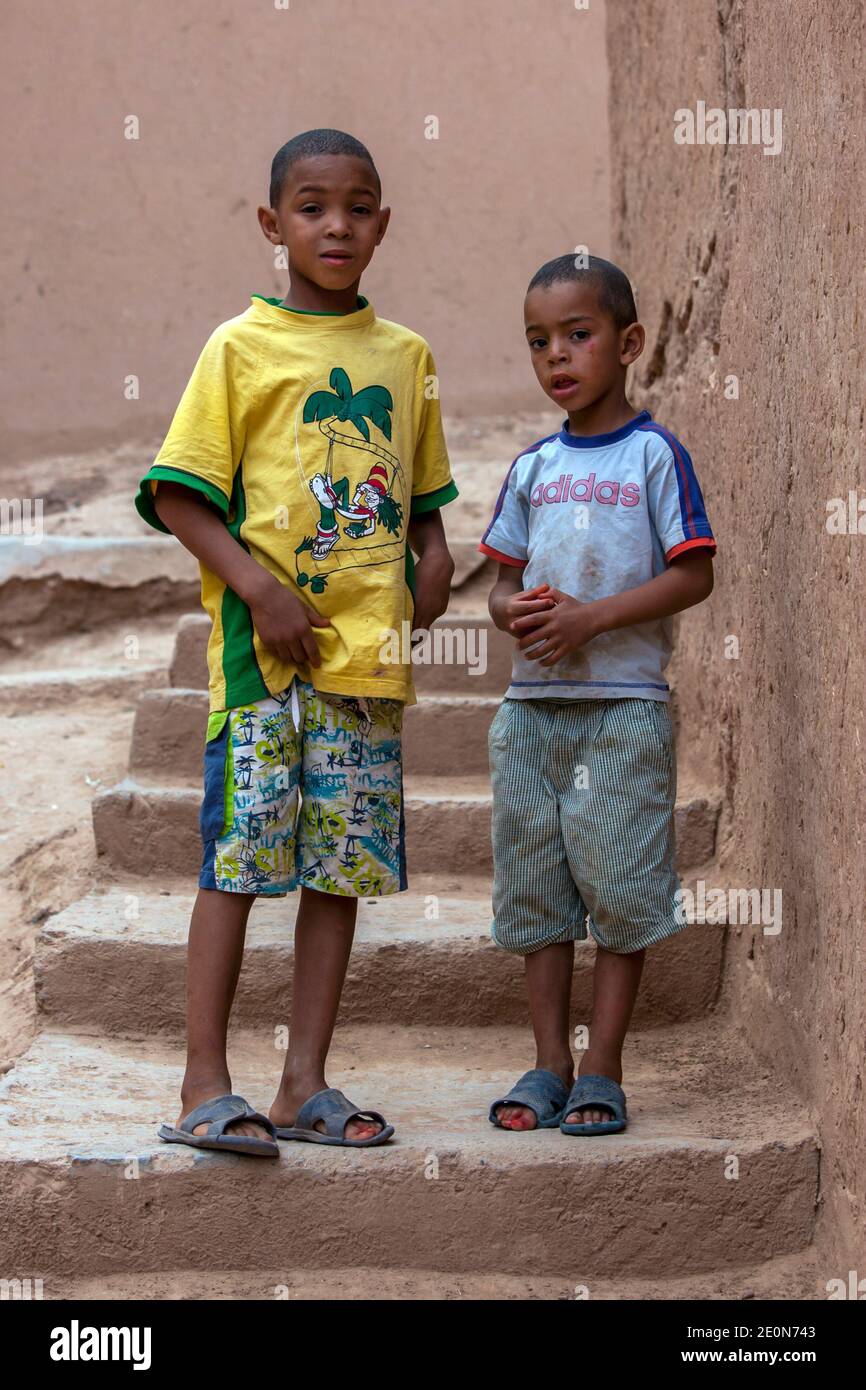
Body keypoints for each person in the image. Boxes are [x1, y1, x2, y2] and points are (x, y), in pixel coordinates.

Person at [134, 129, 457, 1154]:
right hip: (265, 664)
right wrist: (259, 591)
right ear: (273, 225)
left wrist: (437, 558)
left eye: (357, 207)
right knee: (238, 860)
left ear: (383, 226)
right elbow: (181, 497)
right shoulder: (238, 348)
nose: (336, 224)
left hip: (365, 666)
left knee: (339, 871)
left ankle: (300, 1084)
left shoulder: (405, 359)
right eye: (312, 207)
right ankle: (202, 1083)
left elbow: (424, 500)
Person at [479, 254, 716, 1135]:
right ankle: (548, 1063)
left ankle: (603, 1070)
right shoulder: (533, 468)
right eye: (540, 343)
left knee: (619, 889)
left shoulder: (654, 455)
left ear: (629, 343)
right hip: (533, 714)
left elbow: (694, 574)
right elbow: (499, 588)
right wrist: (517, 615)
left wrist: (596, 619)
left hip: (623, 712)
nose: (557, 359)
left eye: (577, 337)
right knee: (538, 894)